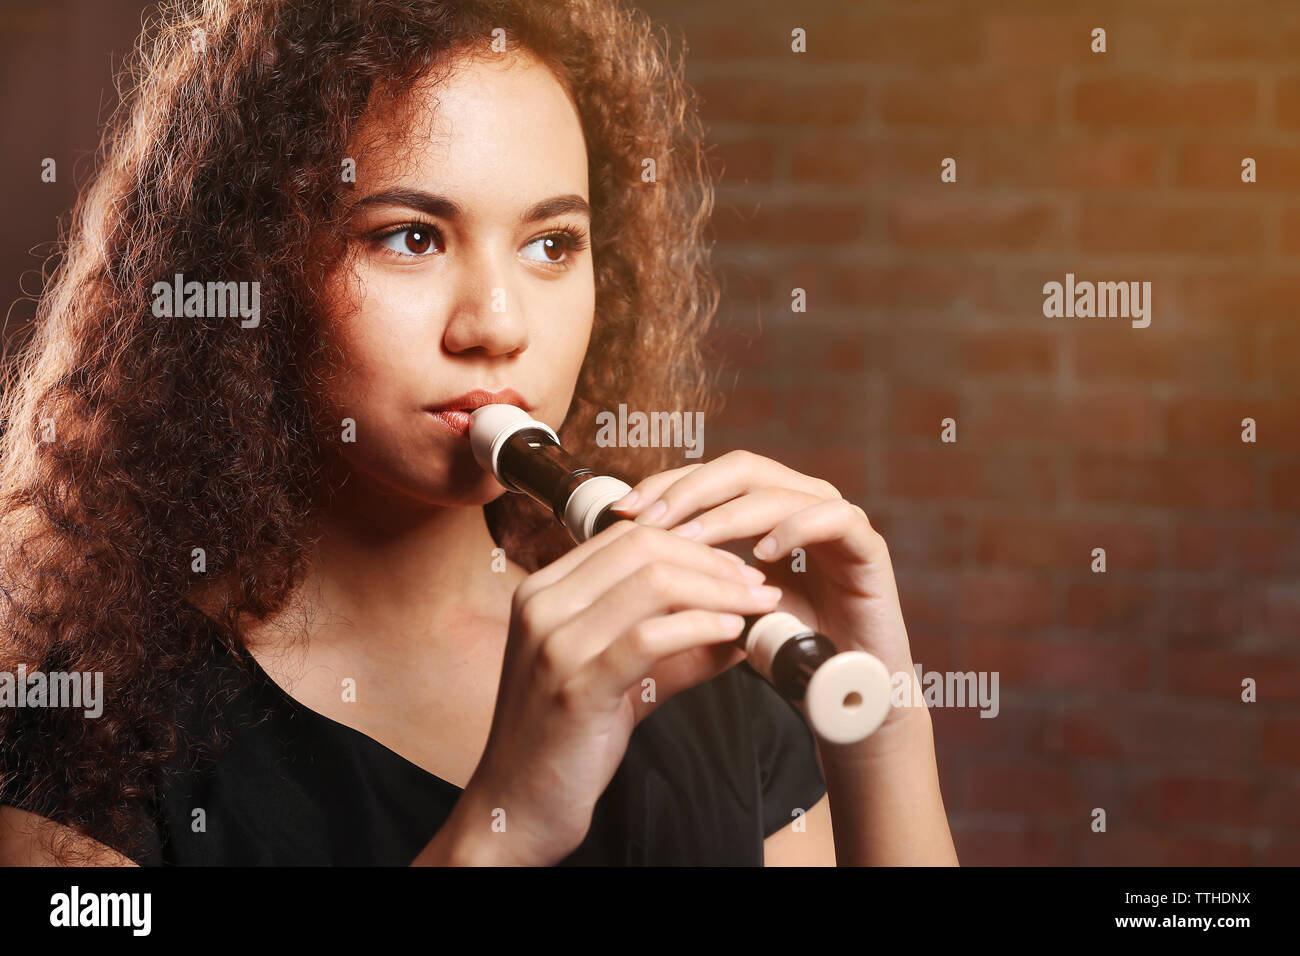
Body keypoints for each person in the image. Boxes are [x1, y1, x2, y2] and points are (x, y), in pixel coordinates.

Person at [0, 0, 957, 866]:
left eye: (552, 245)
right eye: (411, 236)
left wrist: (880, 725)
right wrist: (503, 827)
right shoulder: (86, 732)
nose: (498, 324)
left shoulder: (702, 665)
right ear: (254, 267)